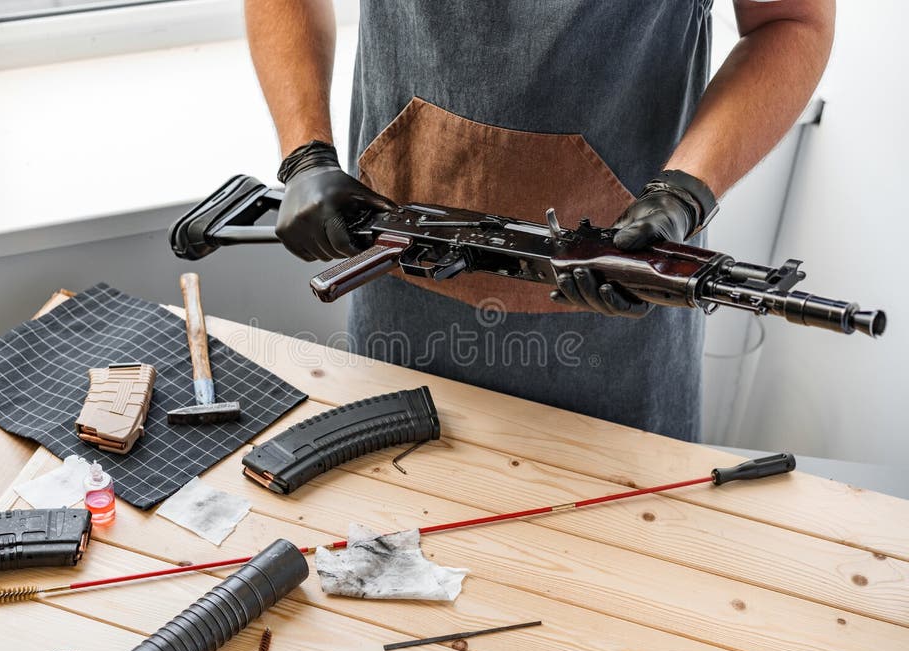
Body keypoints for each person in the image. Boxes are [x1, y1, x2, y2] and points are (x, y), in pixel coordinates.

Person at [244, 0, 835, 441]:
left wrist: (684, 193)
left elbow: (791, 21)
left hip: (623, 295)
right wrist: (306, 155)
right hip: (402, 278)